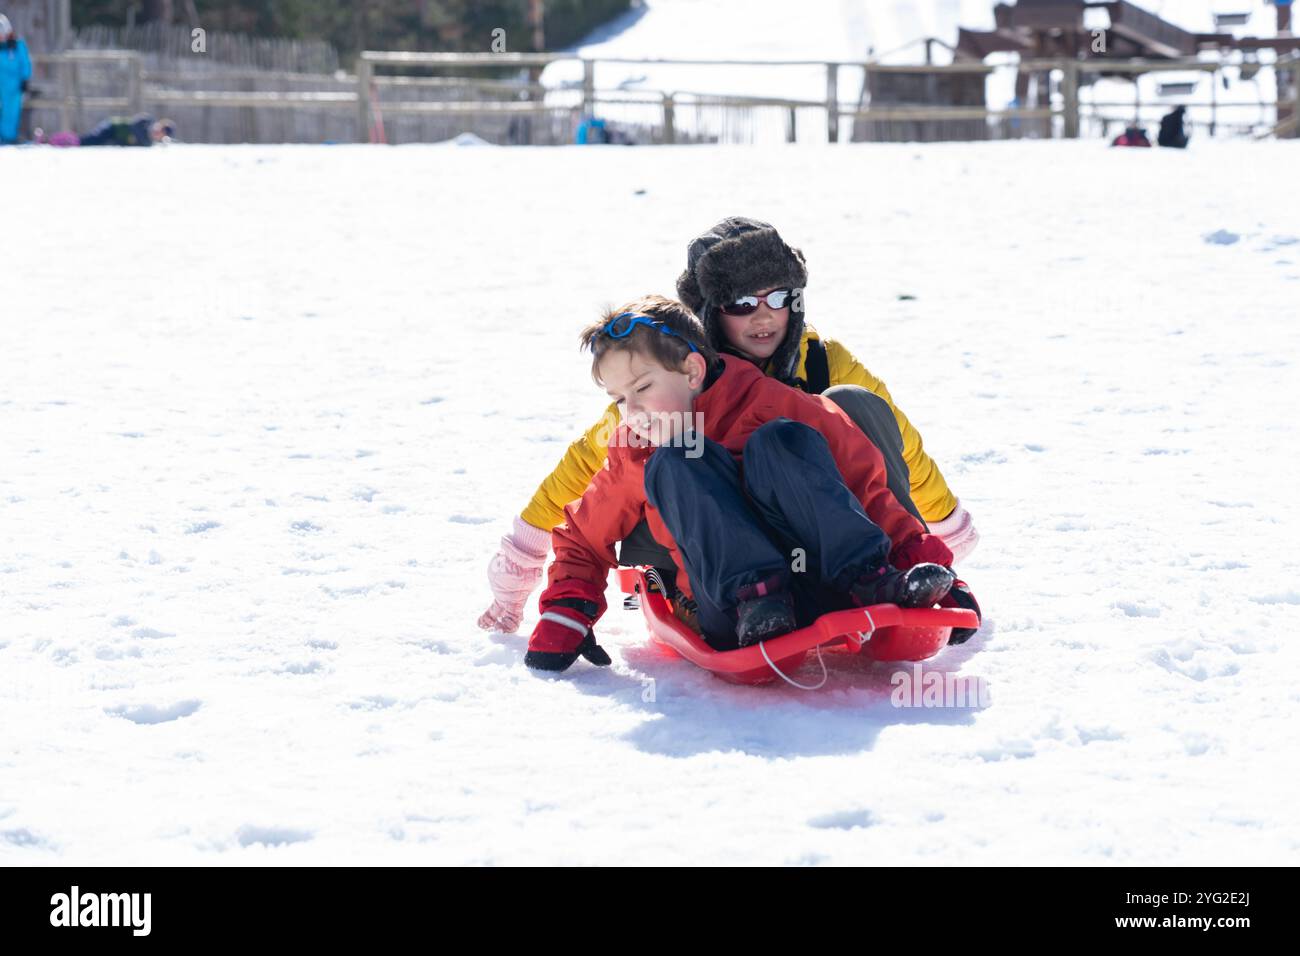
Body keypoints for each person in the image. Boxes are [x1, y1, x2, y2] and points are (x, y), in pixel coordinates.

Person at [479, 217, 980, 634]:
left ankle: (883, 575)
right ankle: (743, 599)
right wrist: (518, 580)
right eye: (741, 304)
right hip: (706, 545)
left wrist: (942, 550)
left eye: (778, 297)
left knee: (856, 406)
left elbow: (897, 452)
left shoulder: (821, 362)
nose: (763, 316)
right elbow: (581, 479)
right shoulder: (660, 383)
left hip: (820, 527)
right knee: (670, 461)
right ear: (710, 314)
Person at [524, 295, 980, 672]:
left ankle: (869, 576)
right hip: (735, 614)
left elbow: (867, 488)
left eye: (643, 388)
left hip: (832, 583)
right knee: (680, 457)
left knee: (782, 440)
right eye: (619, 399)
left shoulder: (774, 403)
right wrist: (568, 611)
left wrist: (928, 565)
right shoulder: (636, 449)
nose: (632, 410)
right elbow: (583, 537)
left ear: (693, 371)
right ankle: (759, 598)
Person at [0, 13, 31, 146]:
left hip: (13, 87)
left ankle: (8, 138)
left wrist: (25, 80)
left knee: (11, 113)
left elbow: (25, 64)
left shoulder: (18, 46)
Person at [78, 113, 175, 147]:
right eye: (161, 129)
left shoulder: (148, 142)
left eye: (161, 135)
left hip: (113, 138)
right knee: (92, 140)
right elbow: (135, 125)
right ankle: (71, 140)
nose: (158, 133)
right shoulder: (148, 121)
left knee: (94, 143)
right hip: (113, 126)